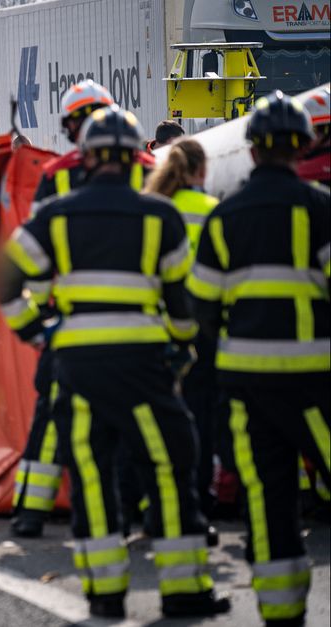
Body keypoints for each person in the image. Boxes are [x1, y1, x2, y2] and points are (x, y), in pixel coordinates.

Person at [0, 106, 229, 619]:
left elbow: (5, 281)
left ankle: (105, 596)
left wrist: (40, 333)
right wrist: (182, 349)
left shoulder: (54, 216)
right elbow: (181, 306)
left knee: (92, 477)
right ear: (135, 159)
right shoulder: (161, 216)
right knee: (170, 468)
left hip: (76, 366)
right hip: (144, 365)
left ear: (85, 160)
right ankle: (184, 592)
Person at [187, 91, 330, 626]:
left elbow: (202, 305)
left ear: (251, 151)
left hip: (245, 387)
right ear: (304, 145)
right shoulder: (320, 208)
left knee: (269, 508)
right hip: (316, 381)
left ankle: (282, 617)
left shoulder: (224, 218)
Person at [10, 80, 119, 538]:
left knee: (55, 417)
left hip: (70, 320)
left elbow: (34, 251)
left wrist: (39, 322)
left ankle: (32, 513)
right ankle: (147, 513)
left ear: (72, 125)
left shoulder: (56, 175)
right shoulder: (147, 167)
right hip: (141, 325)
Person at [144, 139, 221, 515]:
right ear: (201, 170)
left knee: (156, 417)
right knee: (200, 416)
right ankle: (199, 496)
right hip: (202, 328)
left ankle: (154, 497)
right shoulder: (212, 210)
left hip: (156, 326)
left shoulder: (157, 208)